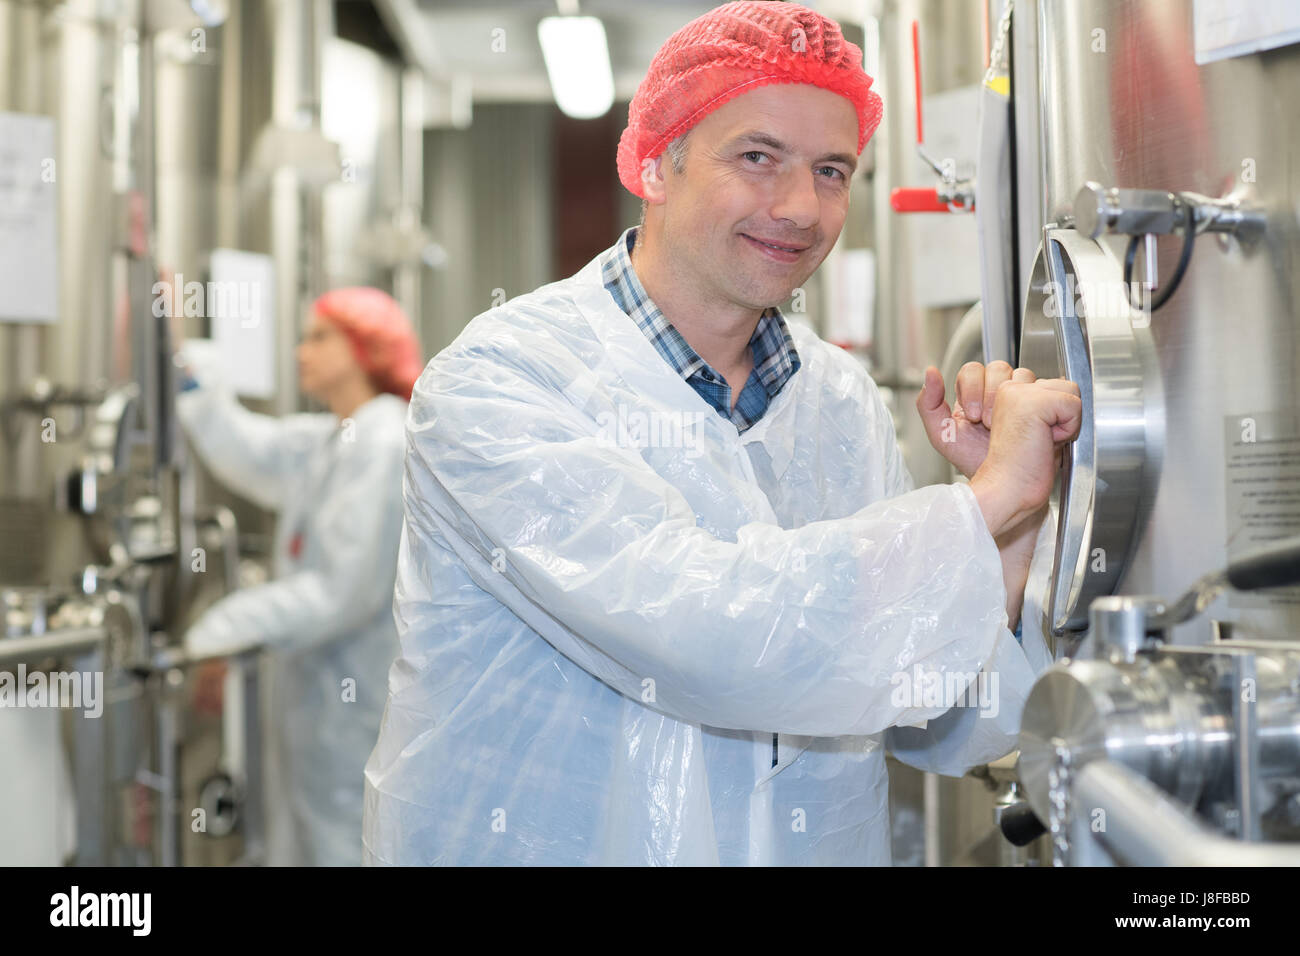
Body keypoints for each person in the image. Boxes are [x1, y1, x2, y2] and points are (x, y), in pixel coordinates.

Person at [363, 1, 1080, 865]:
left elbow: (928, 718)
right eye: (756, 157)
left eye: (830, 170)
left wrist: (1004, 539)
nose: (800, 207)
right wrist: (987, 498)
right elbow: (712, 632)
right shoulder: (502, 382)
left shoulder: (839, 401)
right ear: (657, 164)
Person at [176, 286, 420, 866]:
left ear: (366, 349)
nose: (300, 351)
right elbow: (247, 448)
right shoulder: (336, 437)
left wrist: (219, 632)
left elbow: (342, 591)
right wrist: (178, 350)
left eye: (319, 337)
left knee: (344, 840)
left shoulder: (382, 440)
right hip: (321, 702)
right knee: (317, 836)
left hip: (355, 696)